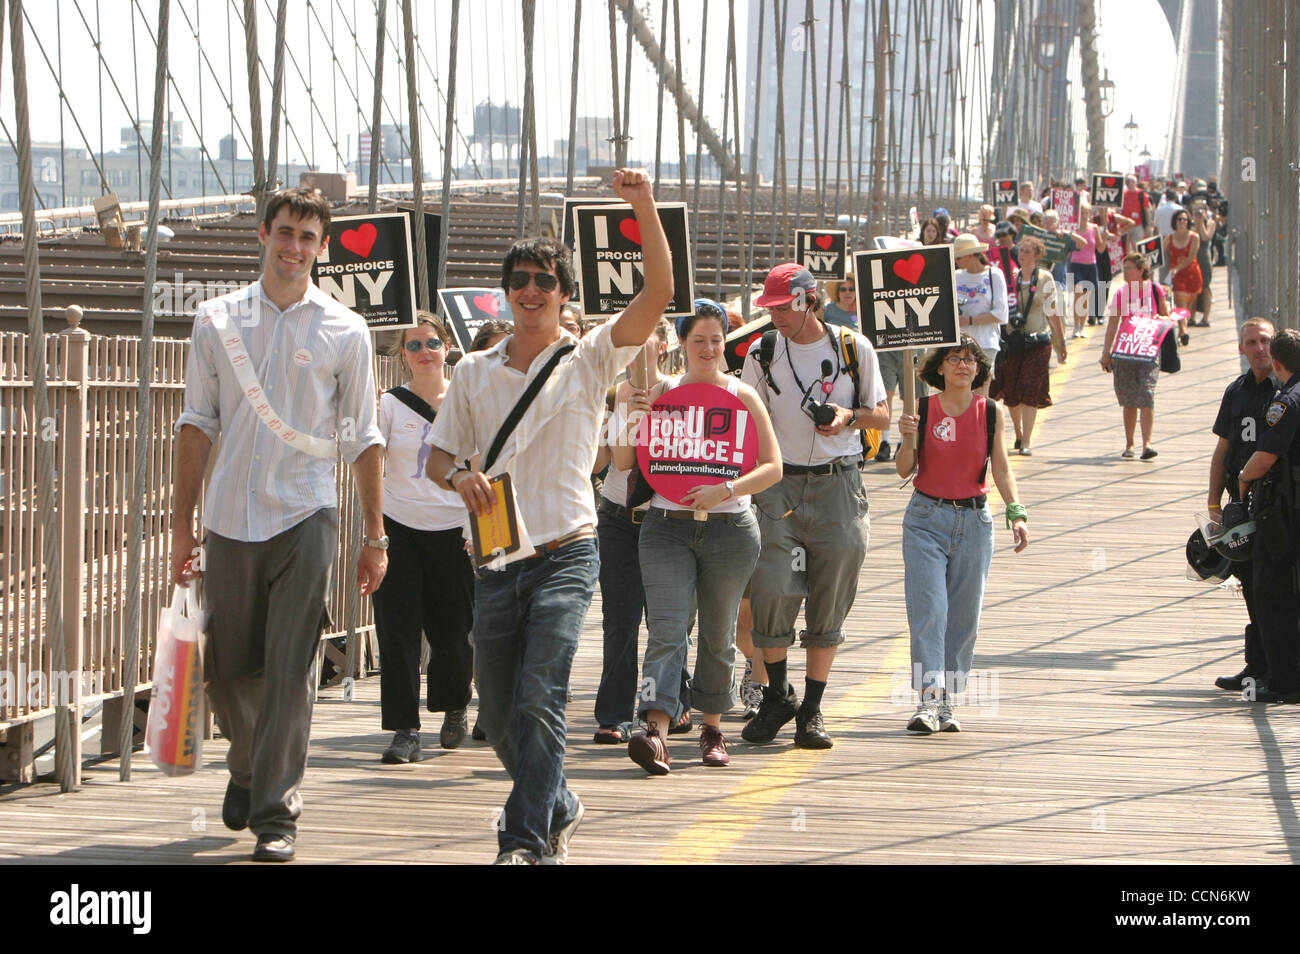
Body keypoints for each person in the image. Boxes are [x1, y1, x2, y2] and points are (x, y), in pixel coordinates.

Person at [425, 168, 672, 865]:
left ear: (565, 296)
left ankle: (525, 841)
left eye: (544, 280)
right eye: (519, 280)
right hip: (497, 558)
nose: (530, 290)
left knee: (541, 695)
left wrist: (642, 205)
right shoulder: (472, 371)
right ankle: (558, 800)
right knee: (501, 714)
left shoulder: (590, 358)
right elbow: (438, 456)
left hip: (567, 549)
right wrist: (460, 475)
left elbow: (657, 294)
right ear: (507, 291)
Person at [171, 186, 386, 863]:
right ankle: (244, 767)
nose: (295, 248)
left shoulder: (345, 330)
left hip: (306, 512)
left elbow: (363, 436)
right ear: (263, 234)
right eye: (285, 233)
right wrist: (183, 525)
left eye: (308, 238)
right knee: (229, 667)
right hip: (231, 516)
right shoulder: (214, 319)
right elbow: (196, 424)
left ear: (322, 248)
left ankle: (276, 812)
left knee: (291, 669)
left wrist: (374, 534)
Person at [624, 304, 782, 773]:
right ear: (681, 344)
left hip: (730, 530)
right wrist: (629, 418)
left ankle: (713, 728)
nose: (709, 349)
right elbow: (619, 461)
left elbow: (773, 467)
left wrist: (725, 489)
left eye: (716, 340)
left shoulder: (743, 395)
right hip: (666, 527)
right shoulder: (660, 391)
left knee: (718, 634)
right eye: (699, 340)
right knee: (668, 629)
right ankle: (655, 729)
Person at [740, 263, 889, 749]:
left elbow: (881, 414)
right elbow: (746, 417)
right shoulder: (761, 352)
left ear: (809, 300)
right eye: (771, 308)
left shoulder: (852, 347)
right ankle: (780, 693)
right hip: (778, 484)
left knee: (830, 598)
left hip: (838, 486)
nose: (777, 315)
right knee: (772, 591)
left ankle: (813, 709)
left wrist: (849, 417)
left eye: (784, 306)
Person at [894, 336, 1029, 733]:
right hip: (925, 519)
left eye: (971, 360)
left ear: (979, 369)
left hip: (974, 522)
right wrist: (906, 436)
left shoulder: (991, 412)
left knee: (964, 619)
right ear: (940, 367)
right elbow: (905, 469)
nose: (963, 366)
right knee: (930, 610)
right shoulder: (921, 409)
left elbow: (1001, 468)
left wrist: (1016, 514)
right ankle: (928, 698)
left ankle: (948, 700)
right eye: (954, 359)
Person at [371, 312, 474, 764]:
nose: (424, 353)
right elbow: (370, 458)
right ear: (402, 356)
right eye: (413, 346)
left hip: (454, 527)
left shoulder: (469, 399)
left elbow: (484, 464)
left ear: (447, 347)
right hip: (400, 526)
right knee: (397, 630)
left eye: (431, 343)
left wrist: (476, 525)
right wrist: (374, 532)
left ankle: (454, 707)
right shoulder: (390, 404)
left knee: (453, 630)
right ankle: (404, 728)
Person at [592, 317, 690, 744]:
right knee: (620, 619)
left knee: (671, 620)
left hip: (666, 520)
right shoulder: (612, 395)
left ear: (663, 347)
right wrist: (621, 415)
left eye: (643, 342)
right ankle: (614, 713)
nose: (634, 351)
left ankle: (673, 703)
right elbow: (615, 464)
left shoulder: (683, 393)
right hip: (618, 518)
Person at [1208, 319, 1277, 692]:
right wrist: (1214, 501)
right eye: (1251, 342)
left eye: (1265, 340)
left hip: (1277, 503)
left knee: (1274, 585)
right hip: (1242, 504)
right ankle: (1256, 665)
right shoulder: (1236, 391)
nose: (1259, 348)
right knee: (1249, 581)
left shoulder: (1287, 390)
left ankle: (1278, 665)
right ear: (1241, 348)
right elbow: (1223, 450)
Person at [1236, 328, 1300, 704]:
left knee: (1271, 590)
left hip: (1287, 512)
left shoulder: (1285, 403)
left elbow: (1266, 457)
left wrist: (1244, 478)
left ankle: (1283, 680)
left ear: (1276, 363)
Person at [989, 235, 1065, 455]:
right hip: (1014, 342)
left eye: (1027, 252)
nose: (1022, 255)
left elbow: (1053, 311)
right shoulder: (1010, 278)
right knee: (1012, 392)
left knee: (1030, 389)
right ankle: (1019, 432)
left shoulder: (1045, 278)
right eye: (1020, 251)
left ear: (1037, 256)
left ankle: (1027, 441)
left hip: (1037, 340)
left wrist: (1060, 343)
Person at [1100, 253, 1172, 460]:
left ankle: (1147, 444)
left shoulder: (1156, 290)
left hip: (1149, 349)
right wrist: (1107, 352)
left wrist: (1160, 317)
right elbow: (1113, 323)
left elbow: (1167, 317)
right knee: (1129, 399)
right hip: (1125, 350)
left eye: (1129, 268)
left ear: (1141, 271)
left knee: (1147, 395)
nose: (1125, 272)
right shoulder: (1121, 294)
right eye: (1124, 268)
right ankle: (1130, 443)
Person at [952, 233, 1009, 396]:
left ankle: (981, 421)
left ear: (971, 255)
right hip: (960, 344)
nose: (956, 261)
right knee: (961, 390)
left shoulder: (994, 275)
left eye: (959, 257)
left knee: (980, 390)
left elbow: (1001, 313)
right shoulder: (956, 276)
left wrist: (969, 320)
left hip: (985, 342)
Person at [1066, 201, 1109, 336]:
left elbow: (1100, 249)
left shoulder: (1094, 228)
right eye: (1081, 213)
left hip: (1091, 265)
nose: (1084, 216)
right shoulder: (1073, 229)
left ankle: (1082, 326)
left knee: (1085, 298)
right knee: (1078, 295)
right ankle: (1076, 326)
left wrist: (1106, 237)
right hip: (1076, 264)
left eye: (1086, 213)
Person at [1165, 208, 1202, 344]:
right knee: (1180, 303)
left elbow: (1191, 257)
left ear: (1188, 221)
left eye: (1184, 219)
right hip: (1177, 277)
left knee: (1187, 307)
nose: (1181, 222)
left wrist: (1177, 268)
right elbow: (1158, 250)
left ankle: (1182, 330)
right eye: (1179, 219)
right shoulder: (1169, 238)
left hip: (1192, 275)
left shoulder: (1194, 237)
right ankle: (1183, 331)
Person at [1189, 200, 1216, 328]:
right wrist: (1195, 222)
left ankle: (1205, 318)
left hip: (1204, 257)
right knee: (1193, 288)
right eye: (1195, 211)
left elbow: (1205, 237)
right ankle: (1191, 317)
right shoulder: (1189, 223)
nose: (1198, 214)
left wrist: (1201, 223)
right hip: (1193, 257)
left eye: (1200, 211)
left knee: (1205, 287)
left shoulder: (1210, 223)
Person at [1121, 174, 1153, 249]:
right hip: (1125, 225)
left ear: (1135, 183)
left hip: (1138, 225)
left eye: (1130, 182)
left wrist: (1148, 225)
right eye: (1127, 182)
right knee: (1125, 247)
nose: (1128, 184)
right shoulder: (1124, 194)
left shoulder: (1142, 194)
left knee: (1138, 246)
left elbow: (1147, 210)